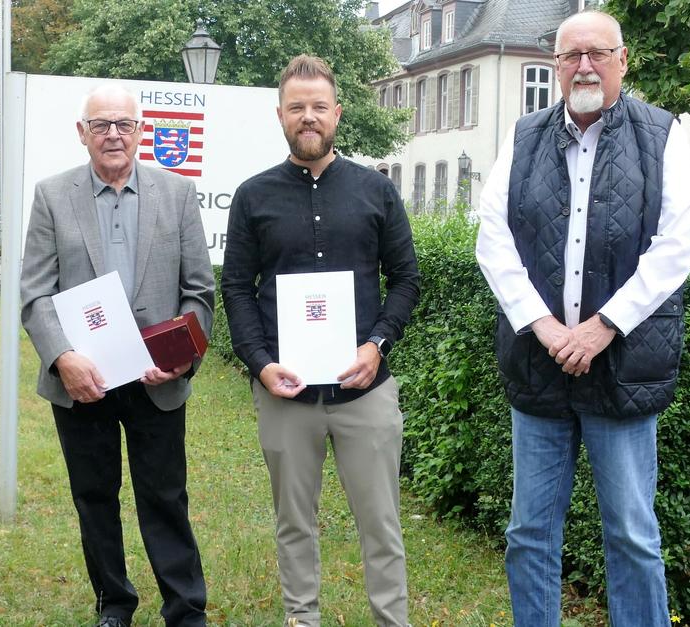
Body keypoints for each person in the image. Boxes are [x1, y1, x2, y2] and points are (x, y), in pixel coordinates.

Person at [475, 10, 690, 627]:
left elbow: (678, 243)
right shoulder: (523, 136)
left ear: (622, 61)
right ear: (555, 65)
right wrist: (545, 328)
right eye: (570, 55)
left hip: (623, 368)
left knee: (631, 534)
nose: (583, 66)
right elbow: (493, 239)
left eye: (597, 53)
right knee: (529, 532)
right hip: (540, 364)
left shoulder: (661, 135)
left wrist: (604, 326)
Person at [221, 55, 421, 627]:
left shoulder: (375, 190)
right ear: (280, 115)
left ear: (337, 112)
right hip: (286, 393)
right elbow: (235, 288)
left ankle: (392, 621)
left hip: (365, 389)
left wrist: (378, 343)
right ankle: (301, 619)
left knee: (380, 520)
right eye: (296, 108)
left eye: (318, 107)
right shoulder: (252, 196)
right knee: (293, 522)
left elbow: (406, 278)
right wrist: (259, 365)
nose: (308, 117)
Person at [20, 83, 214, 627]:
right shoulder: (53, 195)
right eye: (101, 125)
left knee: (165, 495)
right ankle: (115, 603)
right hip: (85, 380)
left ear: (141, 132)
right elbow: (35, 292)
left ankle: (185, 606)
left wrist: (183, 357)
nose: (113, 135)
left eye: (123, 125)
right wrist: (63, 358)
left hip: (157, 377)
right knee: (94, 495)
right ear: (82, 133)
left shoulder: (176, 192)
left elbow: (199, 291)